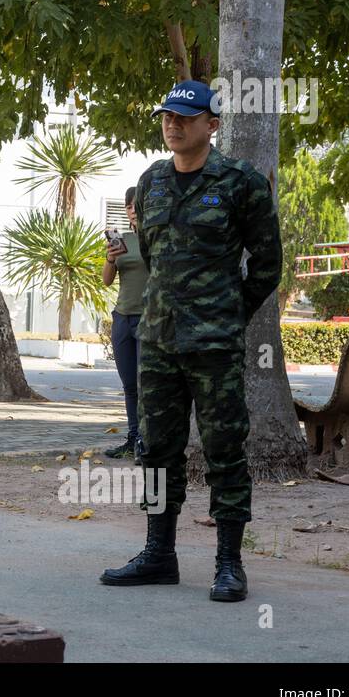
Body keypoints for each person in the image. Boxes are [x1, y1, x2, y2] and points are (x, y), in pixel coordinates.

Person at [99, 80, 282, 602]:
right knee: (156, 450)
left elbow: (268, 264)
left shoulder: (240, 182)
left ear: (213, 124)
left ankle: (229, 563)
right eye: (166, 117)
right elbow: (155, 258)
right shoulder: (151, 181)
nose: (172, 125)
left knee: (225, 450)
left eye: (185, 117)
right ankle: (159, 554)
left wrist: (226, 313)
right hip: (157, 341)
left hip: (214, 346)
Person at [102, 187, 147, 459]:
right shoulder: (121, 240)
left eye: (136, 205)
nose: (132, 209)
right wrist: (110, 258)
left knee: (145, 384)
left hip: (149, 319)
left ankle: (145, 440)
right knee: (129, 384)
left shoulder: (156, 239)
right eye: (128, 206)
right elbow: (107, 280)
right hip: (122, 318)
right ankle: (133, 438)